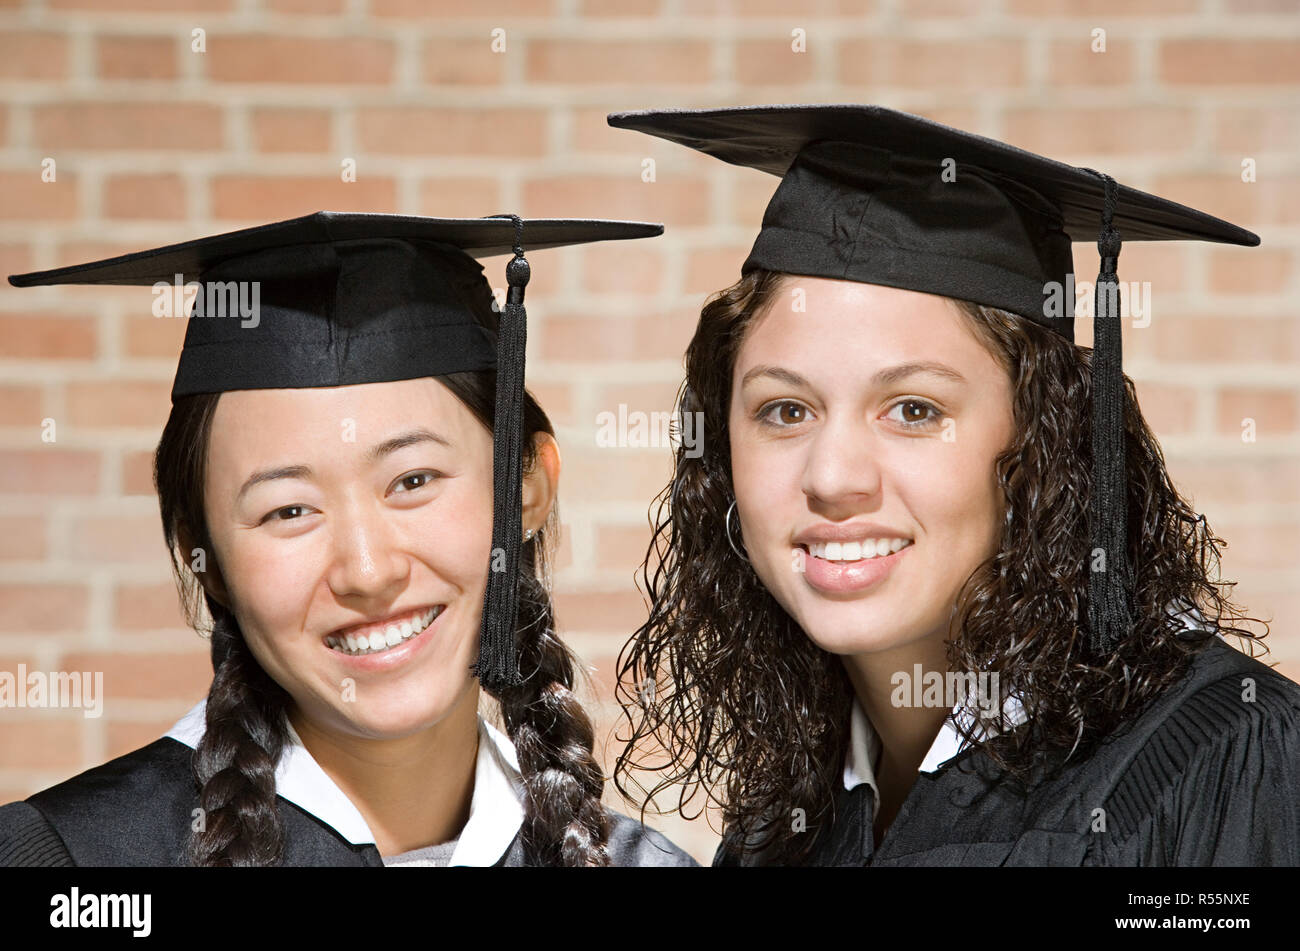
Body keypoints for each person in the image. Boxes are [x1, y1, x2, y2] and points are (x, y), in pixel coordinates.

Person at [608, 105, 1300, 866]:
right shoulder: (781, 831)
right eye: (786, 409)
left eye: (913, 409)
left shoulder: (1224, 763)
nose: (833, 477)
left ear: (1046, 438)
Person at [0, 211, 696, 867]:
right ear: (200, 554)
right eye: (288, 510)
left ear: (528, 489)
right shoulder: (71, 860)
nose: (367, 570)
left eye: (414, 479)